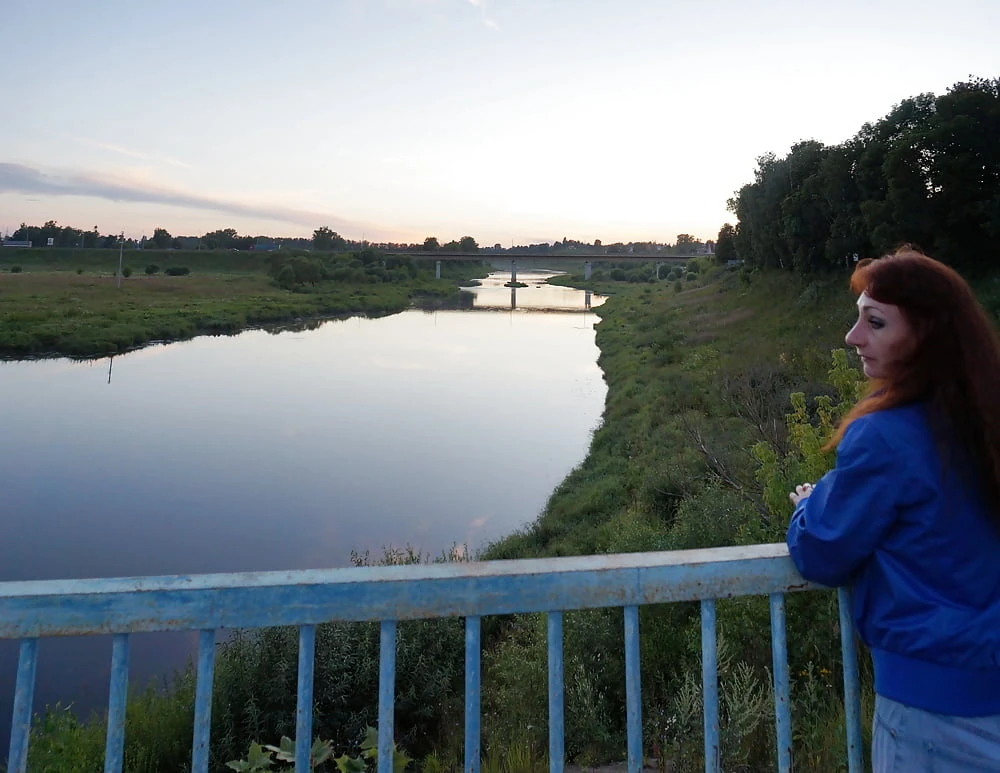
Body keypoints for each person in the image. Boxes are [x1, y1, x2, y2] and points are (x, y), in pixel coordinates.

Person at [785, 246, 1000, 771]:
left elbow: (822, 550)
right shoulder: (986, 423)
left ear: (927, 338)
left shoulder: (882, 437)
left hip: (934, 712)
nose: (852, 337)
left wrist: (806, 506)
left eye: (875, 323)